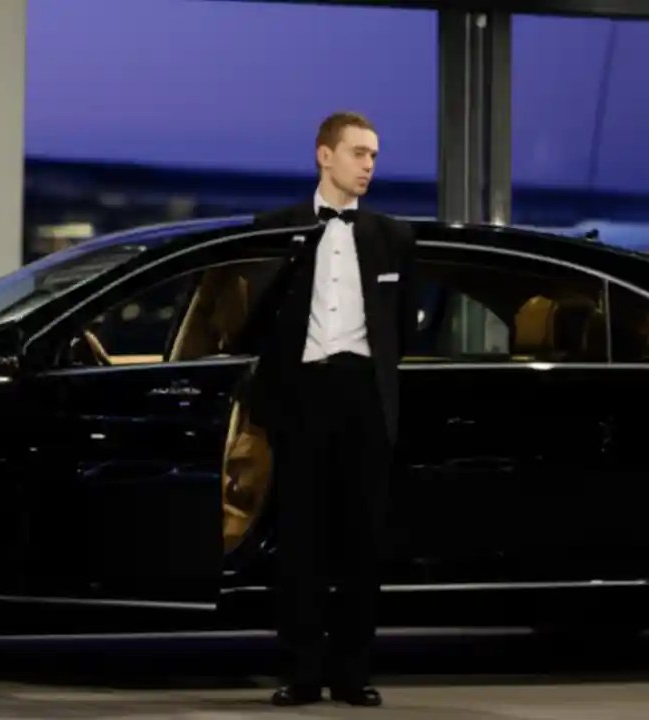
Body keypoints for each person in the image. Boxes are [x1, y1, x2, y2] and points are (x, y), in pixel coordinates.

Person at [248, 111, 417, 707]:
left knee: (362, 540)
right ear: (325, 156)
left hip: (366, 397)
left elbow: (405, 329)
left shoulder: (395, 237)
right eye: (359, 153)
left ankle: (352, 672)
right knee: (299, 540)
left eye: (374, 155)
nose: (369, 165)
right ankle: (301, 671)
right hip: (303, 395)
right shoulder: (276, 229)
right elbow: (256, 322)